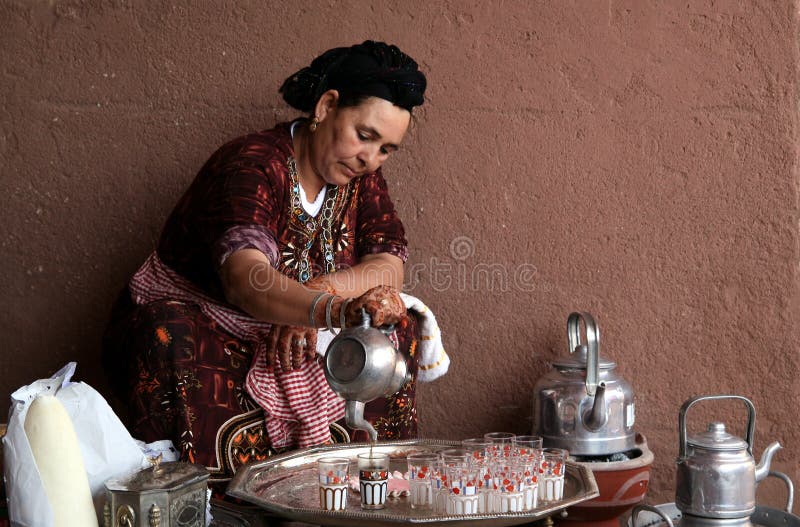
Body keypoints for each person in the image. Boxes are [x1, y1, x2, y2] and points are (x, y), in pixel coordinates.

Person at [102, 41, 448, 491]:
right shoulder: (254, 163)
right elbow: (244, 279)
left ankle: (372, 493)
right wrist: (325, 310)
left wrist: (319, 296)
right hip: (213, 326)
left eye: (386, 149)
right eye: (364, 136)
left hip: (295, 326)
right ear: (326, 107)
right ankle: (218, 506)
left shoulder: (362, 178)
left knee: (393, 332)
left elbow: (387, 265)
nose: (371, 158)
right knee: (169, 332)